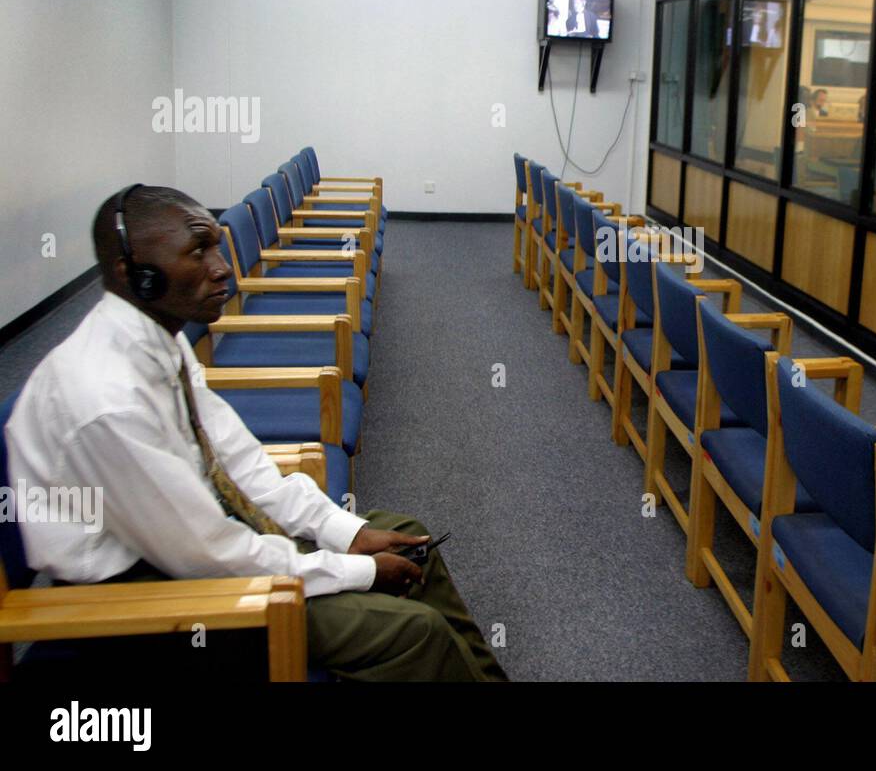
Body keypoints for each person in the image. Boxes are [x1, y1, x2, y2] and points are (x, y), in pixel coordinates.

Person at [4, 185, 507, 681]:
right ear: (133, 273)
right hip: (147, 603)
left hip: (197, 543)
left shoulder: (159, 339)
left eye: (217, 246)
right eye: (197, 251)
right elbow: (207, 556)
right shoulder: (106, 400)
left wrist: (346, 535)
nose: (222, 267)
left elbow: (241, 466)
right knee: (411, 632)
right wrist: (360, 571)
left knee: (409, 539)